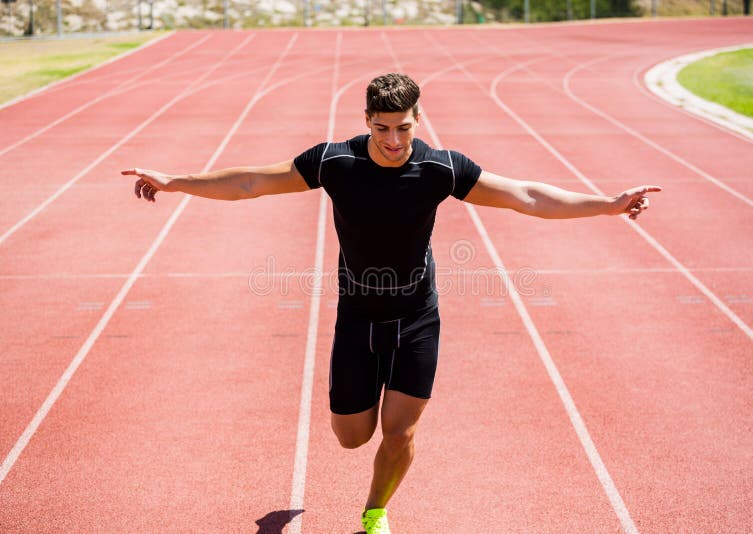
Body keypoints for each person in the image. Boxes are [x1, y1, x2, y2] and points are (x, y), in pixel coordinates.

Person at [123, 73, 660, 534]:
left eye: (403, 128)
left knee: (400, 432)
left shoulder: (440, 169)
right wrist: (175, 182)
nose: (394, 141)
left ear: (418, 119)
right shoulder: (334, 162)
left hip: (417, 318)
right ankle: (362, 437)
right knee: (351, 437)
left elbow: (526, 196)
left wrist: (607, 206)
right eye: (382, 129)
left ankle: (375, 512)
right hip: (357, 318)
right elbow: (249, 182)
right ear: (367, 121)